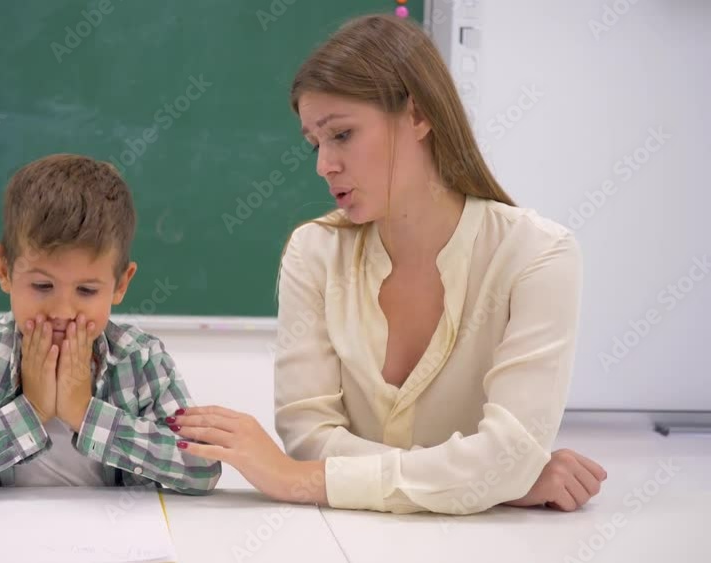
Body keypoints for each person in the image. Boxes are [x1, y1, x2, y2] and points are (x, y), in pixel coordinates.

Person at [169, 13, 606, 514]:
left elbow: (505, 458)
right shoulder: (313, 253)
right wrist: (488, 481)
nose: (323, 165)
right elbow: (309, 440)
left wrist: (497, 474)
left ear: (418, 115)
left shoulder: (538, 256)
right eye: (314, 143)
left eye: (342, 134)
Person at [0, 154, 221, 500]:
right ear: (4, 269)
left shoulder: (140, 359)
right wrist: (30, 411)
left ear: (121, 284)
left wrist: (85, 413)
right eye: (42, 287)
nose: (62, 312)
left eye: (87, 290)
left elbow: (201, 470)